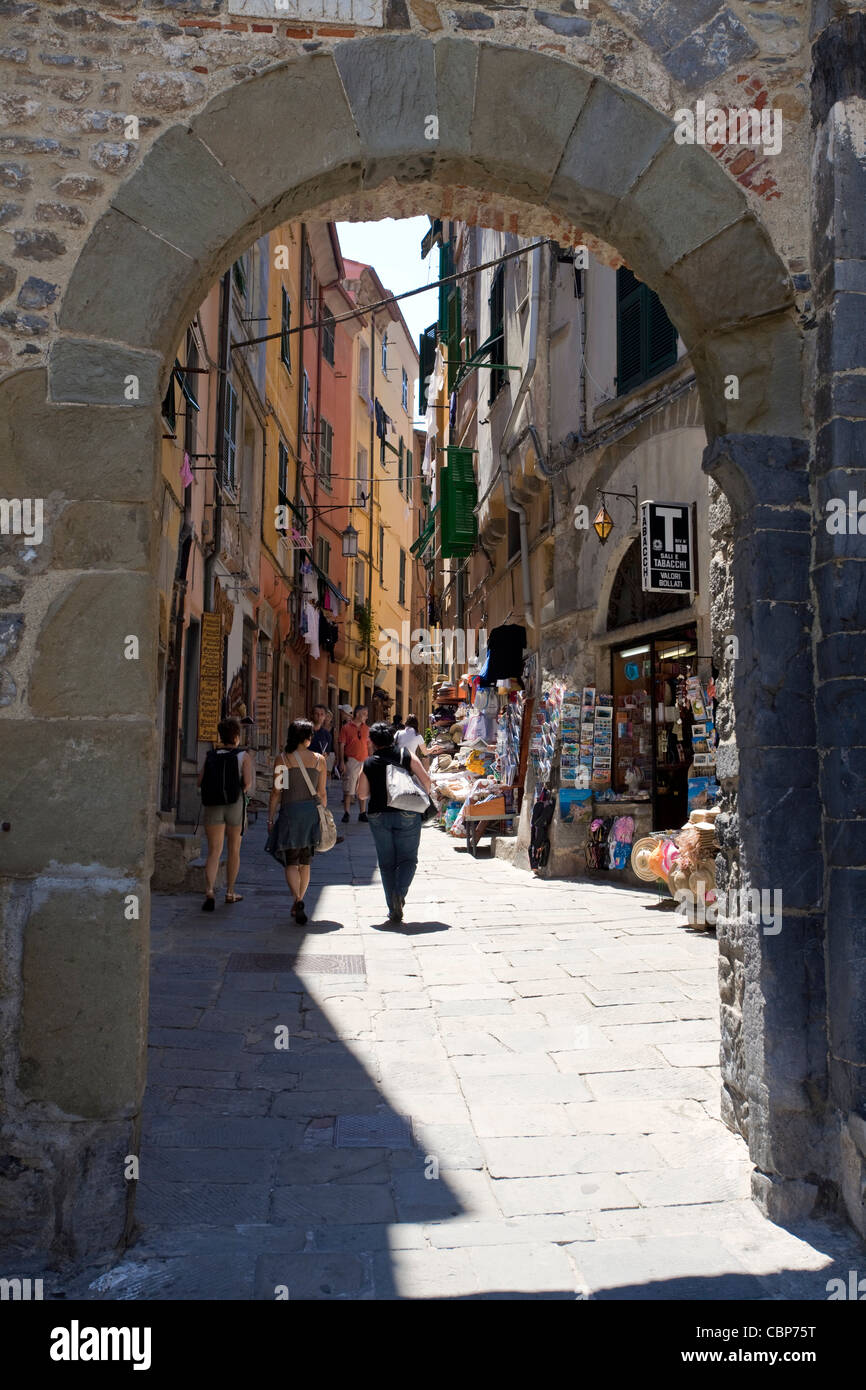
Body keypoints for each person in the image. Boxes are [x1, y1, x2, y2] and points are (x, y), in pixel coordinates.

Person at [357, 721, 432, 924]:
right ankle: (399, 893)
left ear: (372, 741)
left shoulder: (369, 762)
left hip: (378, 815)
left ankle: (392, 908)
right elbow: (426, 780)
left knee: (386, 864)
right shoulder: (405, 755)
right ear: (393, 738)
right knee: (408, 860)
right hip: (407, 811)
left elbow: (362, 794)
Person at [266, 719, 326, 925]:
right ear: (308, 738)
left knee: (291, 860)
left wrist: (270, 816)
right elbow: (322, 793)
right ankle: (300, 900)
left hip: (290, 813)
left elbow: (276, 791)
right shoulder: (319, 760)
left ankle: (297, 900)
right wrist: (322, 815)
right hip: (310, 814)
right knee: (305, 861)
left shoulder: (282, 759)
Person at [198, 717, 253, 911]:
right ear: (237, 736)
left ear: (221, 736)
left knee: (214, 851)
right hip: (234, 804)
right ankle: (230, 892)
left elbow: (200, 781)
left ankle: (210, 891)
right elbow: (247, 783)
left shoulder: (211, 755)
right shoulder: (243, 756)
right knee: (234, 850)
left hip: (213, 805)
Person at [338, 704, 371, 824]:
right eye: (364, 714)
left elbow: (369, 745)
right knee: (348, 788)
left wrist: (371, 760)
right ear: (357, 714)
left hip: (364, 760)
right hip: (351, 760)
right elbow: (341, 745)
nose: (366, 717)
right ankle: (346, 813)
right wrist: (341, 761)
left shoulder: (367, 729)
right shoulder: (346, 728)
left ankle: (362, 813)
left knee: (363, 788)